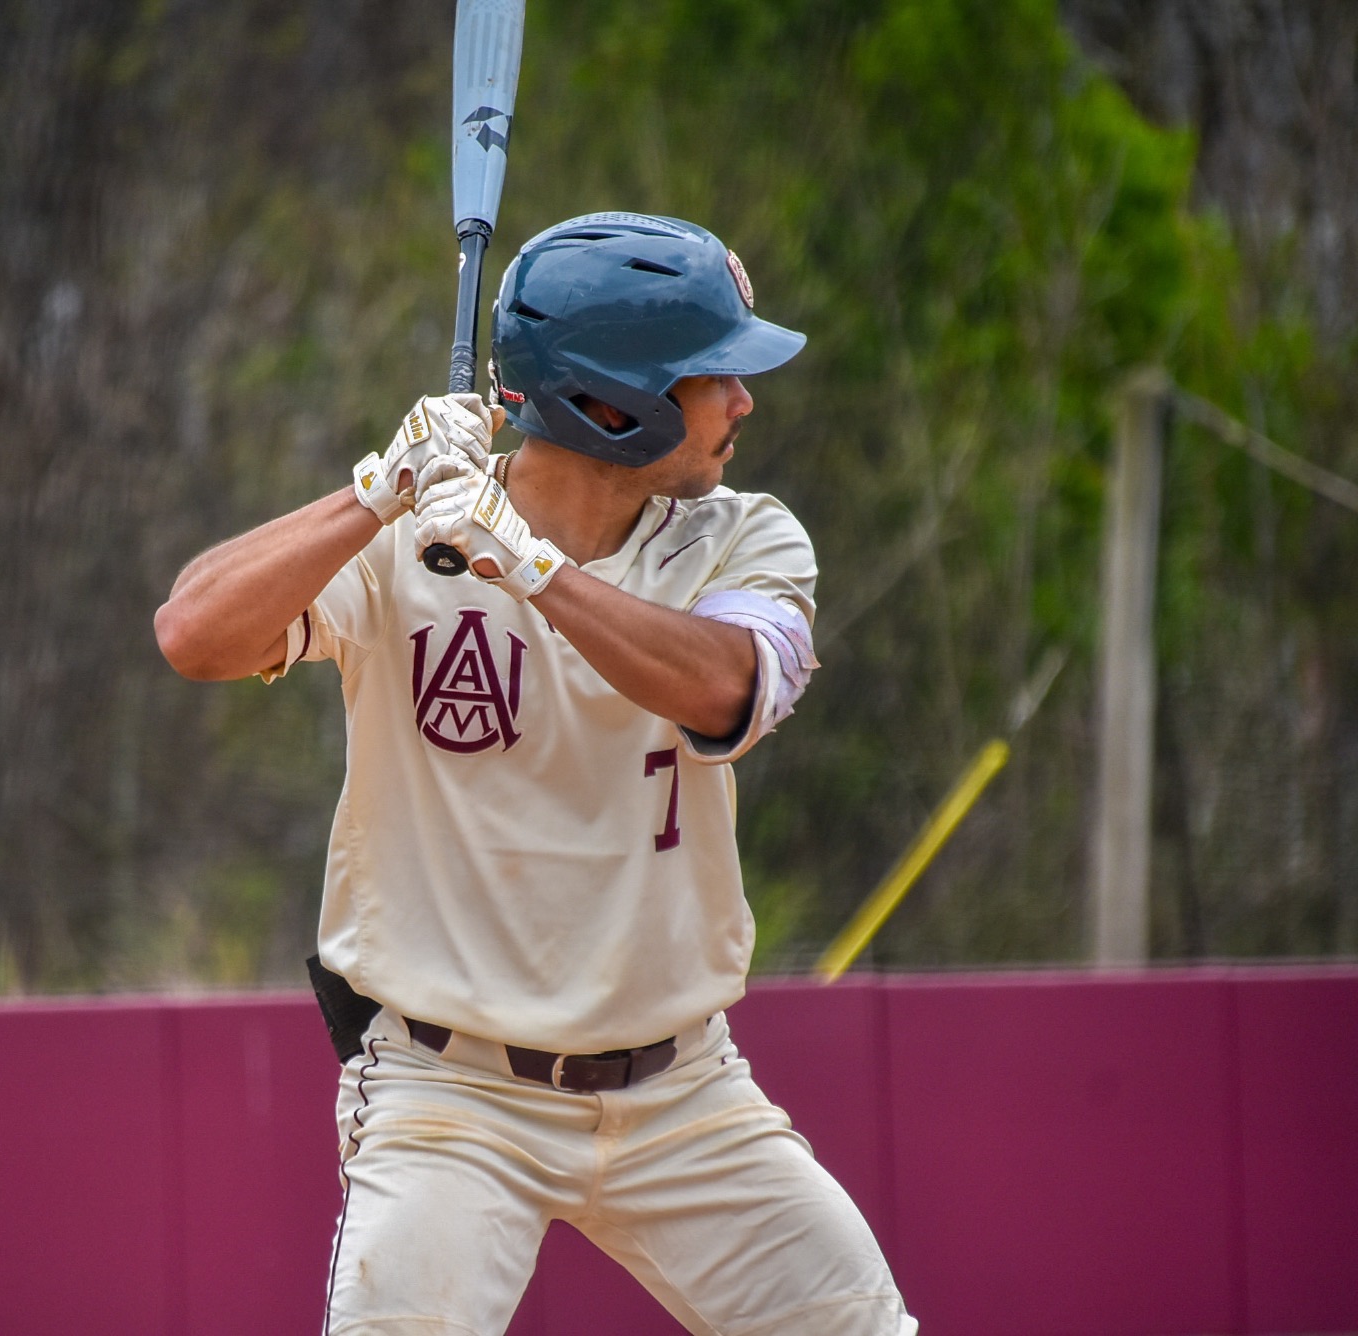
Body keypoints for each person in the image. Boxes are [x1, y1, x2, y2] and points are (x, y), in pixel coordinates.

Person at [156, 213, 915, 1334]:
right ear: (615, 405)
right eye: (714, 374)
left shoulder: (744, 536)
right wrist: (375, 492)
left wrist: (529, 565)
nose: (743, 401)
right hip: (447, 1097)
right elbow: (192, 635)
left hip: (684, 1095)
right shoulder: (413, 532)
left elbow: (722, 689)